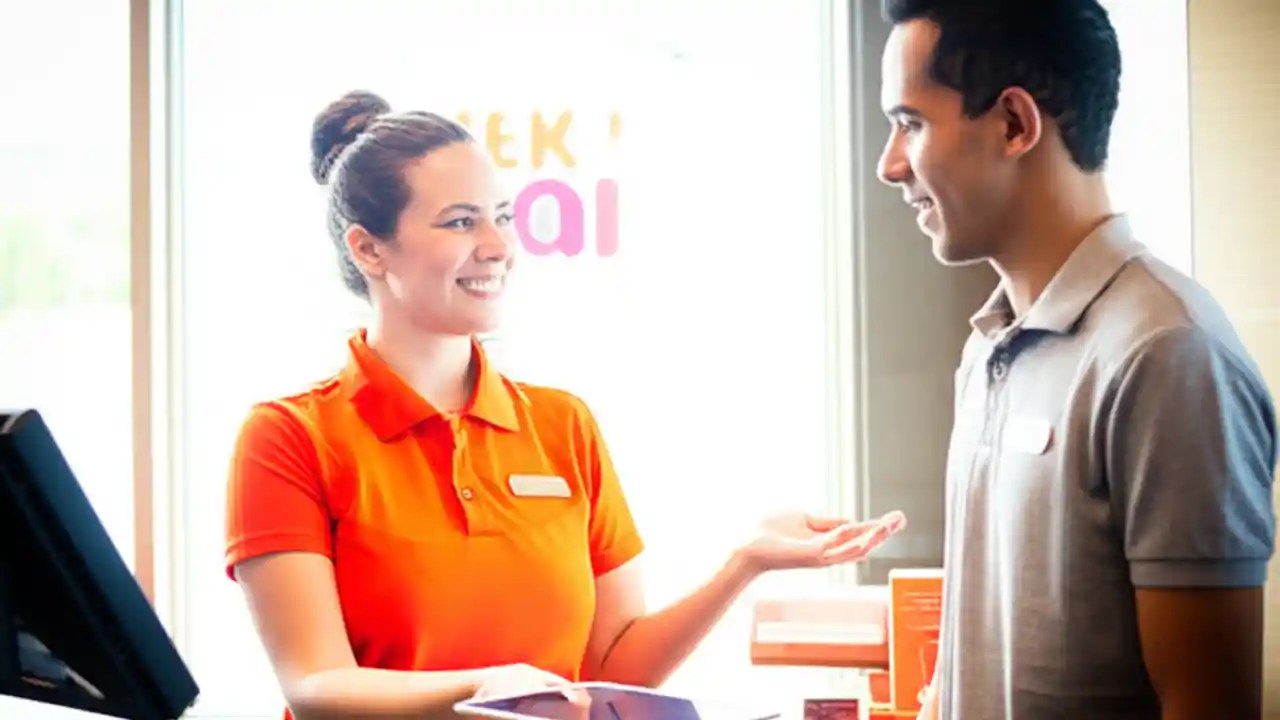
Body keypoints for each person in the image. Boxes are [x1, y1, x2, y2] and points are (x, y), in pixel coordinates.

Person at [223, 89, 908, 720]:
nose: (496, 247)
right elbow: (316, 687)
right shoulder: (290, 437)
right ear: (369, 248)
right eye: (460, 222)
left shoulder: (562, 426)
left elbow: (612, 667)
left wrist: (744, 563)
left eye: (501, 217)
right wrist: (482, 687)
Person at [874, 1, 1278, 719]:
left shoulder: (1169, 355)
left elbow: (1208, 704)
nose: (889, 165)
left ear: (1014, 124)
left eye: (911, 123)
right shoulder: (987, 345)